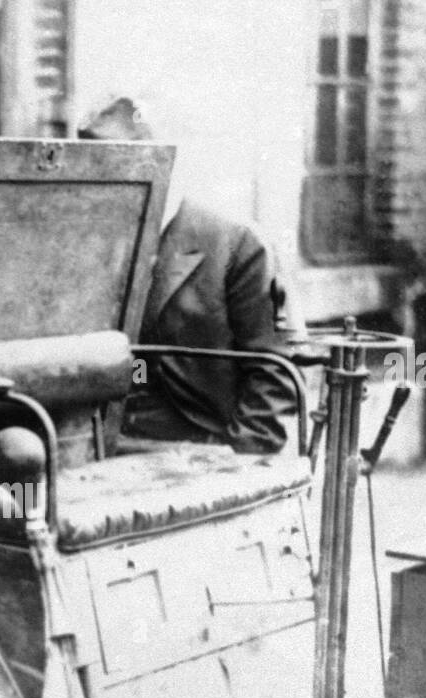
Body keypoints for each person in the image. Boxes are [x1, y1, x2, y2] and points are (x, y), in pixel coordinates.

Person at [78, 95, 298, 455]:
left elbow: (275, 372)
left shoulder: (238, 243)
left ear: (159, 168)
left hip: (199, 443)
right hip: (99, 442)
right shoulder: (85, 243)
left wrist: (236, 462)